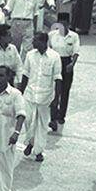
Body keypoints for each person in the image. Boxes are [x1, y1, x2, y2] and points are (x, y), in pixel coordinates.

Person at [19, 31, 62, 163]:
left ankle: (38, 151)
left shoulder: (55, 57)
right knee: (28, 120)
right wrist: (20, 92)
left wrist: (56, 99)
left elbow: (58, 78)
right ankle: (31, 141)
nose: (33, 43)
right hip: (30, 93)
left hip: (46, 96)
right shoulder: (30, 55)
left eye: (35, 40)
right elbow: (25, 74)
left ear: (43, 42)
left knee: (42, 124)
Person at [49, 12, 80, 129]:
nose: (62, 26)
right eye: (60, 23)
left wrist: (72, 64)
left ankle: (61, 115)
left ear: (68, 23)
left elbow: (76, 52)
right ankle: (53, 116)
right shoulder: (52, 35)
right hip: (54, 62)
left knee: (65, 90)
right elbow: (49, 49)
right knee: (54, 90)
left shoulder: (74, 36)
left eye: (64, 23)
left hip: (67, 63)